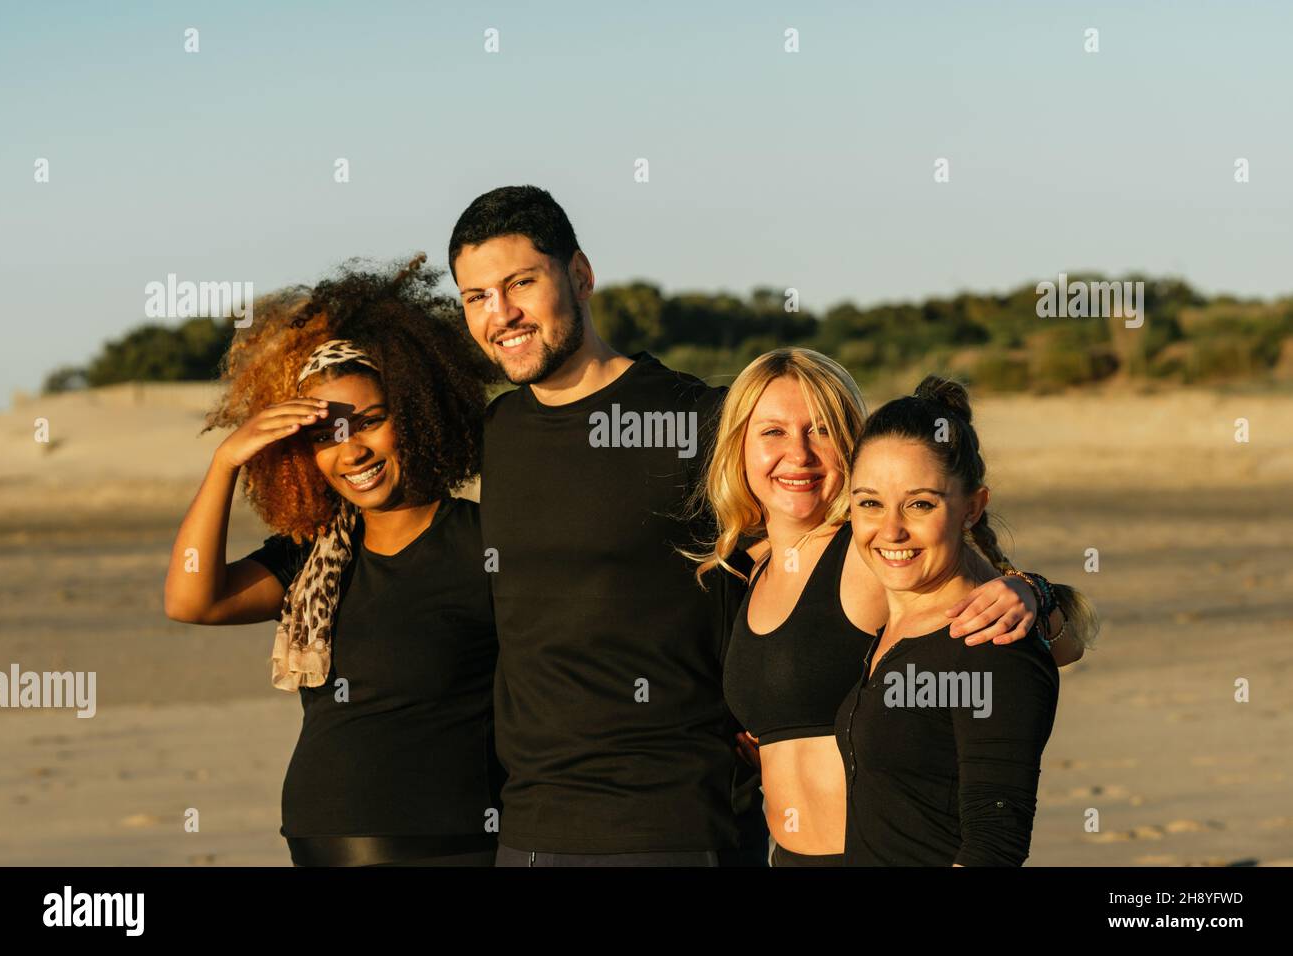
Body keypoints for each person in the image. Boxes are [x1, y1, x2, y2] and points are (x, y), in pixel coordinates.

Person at [449, 185, 766, 865]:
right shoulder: (498, 432)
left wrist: (1023, 593)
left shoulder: (701, 420)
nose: (500, 314)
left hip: (676, 822)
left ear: (582, 275)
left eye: (520, 283)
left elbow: (842, 539)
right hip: (531, 827)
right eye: (476, 297)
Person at [163, 257, 505, 866]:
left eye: (371, 421)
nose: (353, 451)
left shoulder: (484, 543)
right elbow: (191, 600)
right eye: (326, 435)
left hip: (445, 846)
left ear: (419, 413)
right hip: (318, 844)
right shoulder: (312, 557)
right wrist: (226, 462)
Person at [692, 348, 1090, 866]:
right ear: (738, 445)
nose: (799, 454)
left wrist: (1033, 592)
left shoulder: (872, 549)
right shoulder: (746, 566)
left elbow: (1059, 644)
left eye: (821, 430)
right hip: (784, 856)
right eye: (772, 432)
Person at [835, 375, 1098, 865]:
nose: (890, 529)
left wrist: (1035, 591)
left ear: (972, 508)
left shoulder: (992, 646)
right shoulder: (889, 632)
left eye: (920, 504)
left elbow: (994, 845)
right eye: (869, 502)